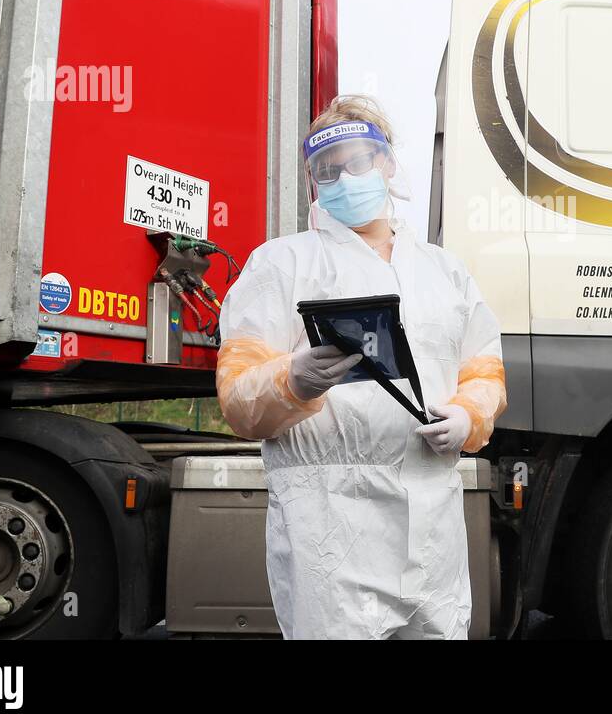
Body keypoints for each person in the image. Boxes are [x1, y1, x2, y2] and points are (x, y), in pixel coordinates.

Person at [215, 94, 507, 639]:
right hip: (328, 518)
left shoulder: (443, 271)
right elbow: (237, 395)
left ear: (387, 165)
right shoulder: (281, 263)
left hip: (431, 518)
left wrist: (469, 417)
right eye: (329, 170)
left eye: (357, 162)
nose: (345, 178)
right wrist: (292, 379)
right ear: (313, 182)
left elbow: (483, 368)